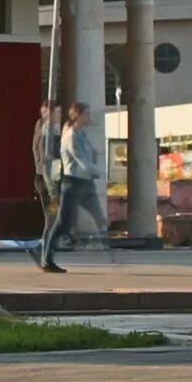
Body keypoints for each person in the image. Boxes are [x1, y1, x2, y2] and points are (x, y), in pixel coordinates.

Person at [36, 102, 110, 273]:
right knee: (59, 222)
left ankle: (106, 248)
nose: (89, 117)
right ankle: (46, 258)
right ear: (78, 115)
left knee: (99, 216)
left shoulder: (82, 134)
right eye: (87, 114)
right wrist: (103, 173)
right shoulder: (70, 136)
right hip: (71, 184)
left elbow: (89, 157)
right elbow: (81, 161)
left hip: (85, 184)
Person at [31, 100, 64, 227]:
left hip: (49, 172)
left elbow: (56, 150)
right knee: (50, 215)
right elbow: (36, 146)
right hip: (44, 174)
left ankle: (51, 236)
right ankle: (49, 237)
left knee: (52, 214)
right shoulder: (42, 124)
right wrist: (39, 164)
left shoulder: (53, 125)